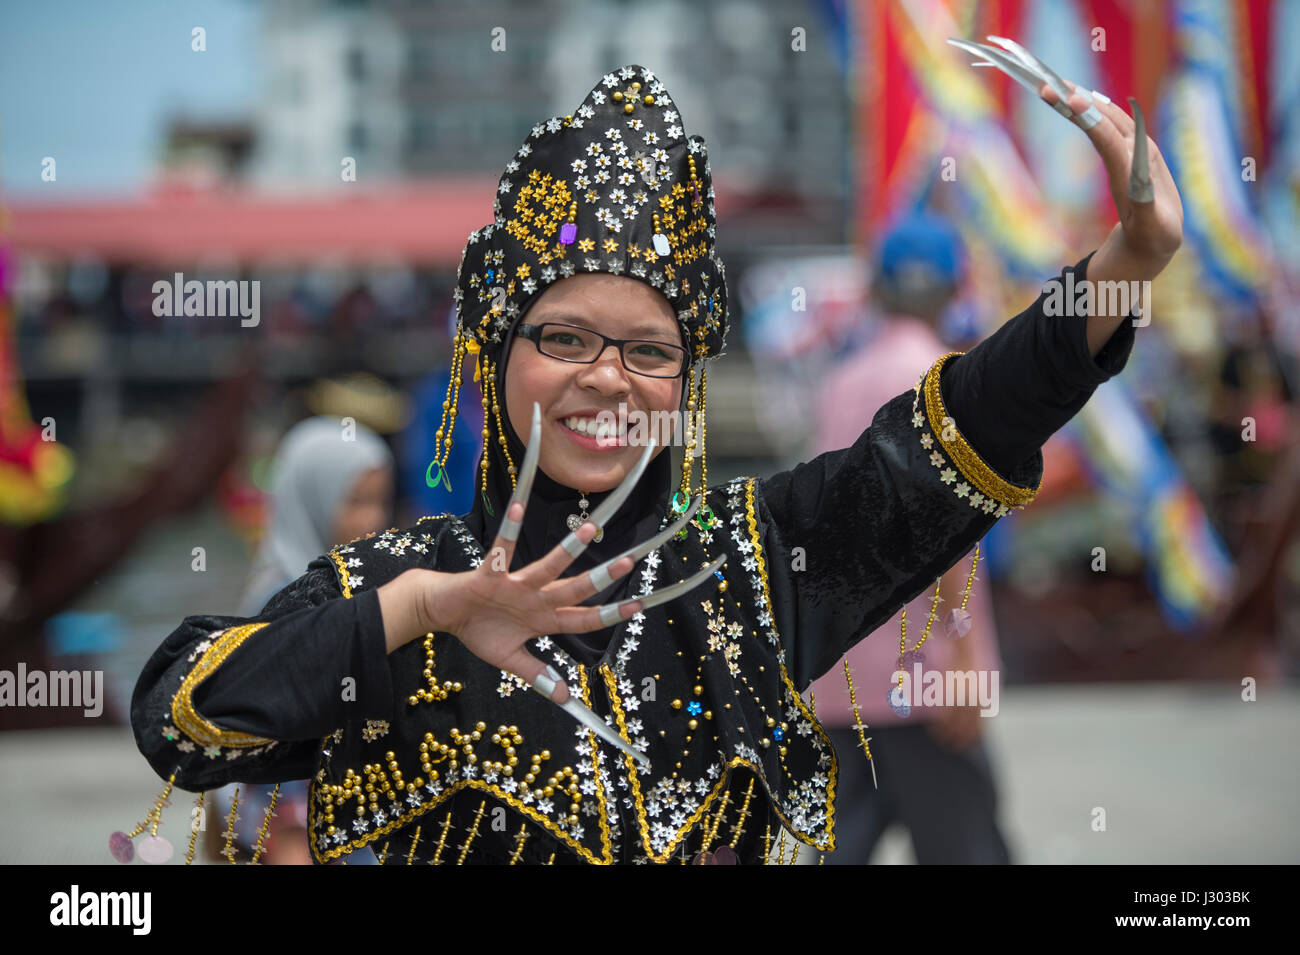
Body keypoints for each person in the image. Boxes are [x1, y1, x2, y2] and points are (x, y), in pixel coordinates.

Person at [128, 62, 1182, 864]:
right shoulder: (392, 578)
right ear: (499, 356)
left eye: (647, 351)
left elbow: (944, 437)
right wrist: (428, 611)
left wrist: (1122, 267)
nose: (607, 379)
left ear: (683, 381)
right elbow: (180, 715)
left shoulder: (748, 565)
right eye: (566, 339)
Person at [809, 213, 1012, 864]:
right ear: (957, 290)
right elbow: (945, 527)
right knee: (969, 848)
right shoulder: (947, 381)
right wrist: (969, 657)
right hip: (925, 671)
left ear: (874, 289)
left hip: (842, 666)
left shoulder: (840, 383)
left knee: (843, 842)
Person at [209, 415, 394, 863]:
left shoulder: (357, 588)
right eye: (356, 501)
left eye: (380, 500)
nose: (375, 519)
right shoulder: (286, 602)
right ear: (311, 499)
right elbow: (280, 759)